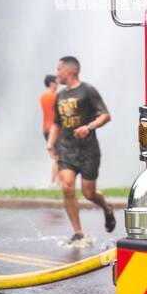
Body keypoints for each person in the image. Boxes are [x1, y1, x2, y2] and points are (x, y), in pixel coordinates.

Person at [45, 56, 114, 245]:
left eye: (59, 69)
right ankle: (78, 232)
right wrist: (50, 143)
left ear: (70, 71)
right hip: (67, 149)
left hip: (88, 150)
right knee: (67, 187)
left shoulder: (88, 91)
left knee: (88, 193)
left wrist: (88, 127)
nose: (57, 73)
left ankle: (106, 207)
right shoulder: (60, 96)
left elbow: (106, 115)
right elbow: (57, 123)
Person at [40, 74, 59, 185]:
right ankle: (54, 182)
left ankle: (56, 182)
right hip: (53, 130)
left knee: (58, 157)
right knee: (59, 158)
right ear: (52, 83)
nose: (58, 85)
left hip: (46, 129)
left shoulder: (43, 96)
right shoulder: (54, 96)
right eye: (56, 82)